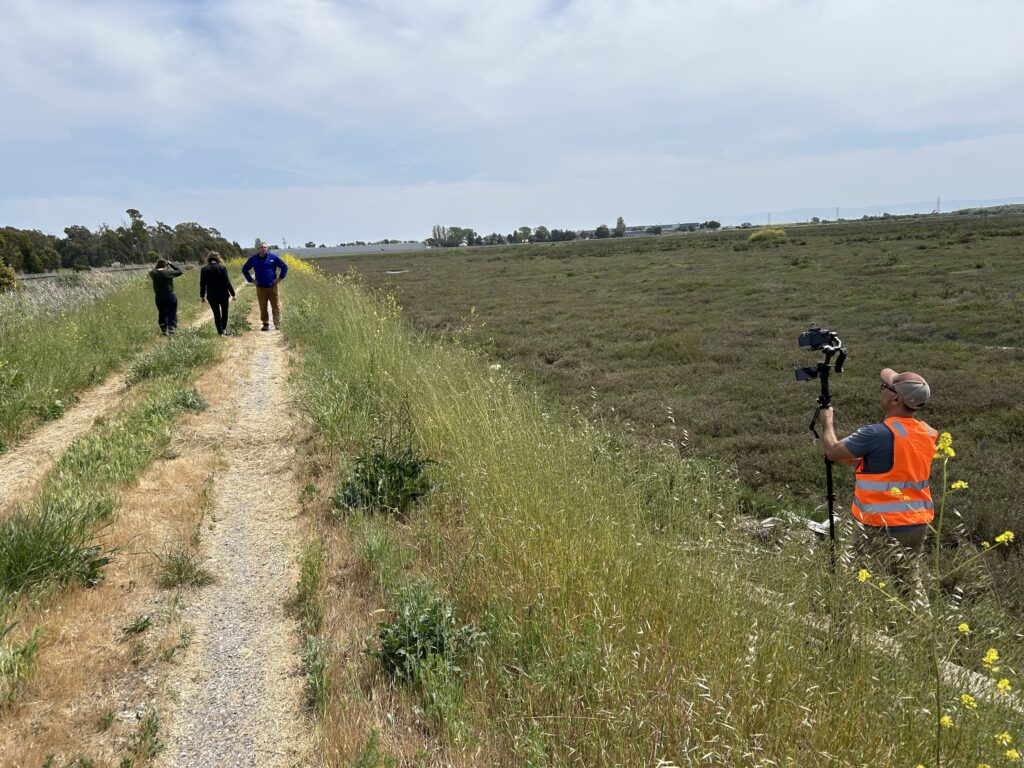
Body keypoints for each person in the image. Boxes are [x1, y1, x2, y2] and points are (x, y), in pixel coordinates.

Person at [817, 368, 938, 606]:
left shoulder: (876, 433)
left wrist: (827, 422)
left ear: (896, 399)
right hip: (916, 522)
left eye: (886, 387)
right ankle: (923, 633)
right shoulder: (928, 433)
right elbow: (895, 465)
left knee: (852, 580)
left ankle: (843, 630)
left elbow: (833, 451)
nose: (881, 389)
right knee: (909, 583)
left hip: (878, 524)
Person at [242, 242, 288, 331]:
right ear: (258, 249)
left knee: (276, 306)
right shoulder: (253, 259)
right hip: (260, 288)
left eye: (265, 247)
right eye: (262, 247)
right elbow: (244, 269)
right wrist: (251, 280)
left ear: (267, 248)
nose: (264, 249)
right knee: (263, 307)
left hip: (273, 287)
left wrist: (279, 278)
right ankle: (265, 324)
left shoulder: (273, 258)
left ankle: (277, 324)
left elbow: (284, 267)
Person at [200, 252, 236, 335]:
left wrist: (202, 296)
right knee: (224, 312)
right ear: (218, 258)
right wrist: (233, 294)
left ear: (208, 258)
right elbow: (227, 282)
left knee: (216, 313)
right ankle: (224, 330)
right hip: (223, 294)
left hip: (211, 295)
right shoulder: (222, 267)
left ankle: (220, 333)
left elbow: (202, 284)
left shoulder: (204, 269)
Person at [148, 258, 183, 335]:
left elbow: (153, 270)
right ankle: (172, 330)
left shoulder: (153, 273)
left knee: (162, 313)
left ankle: (164, 330)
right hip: (169, 295)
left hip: (159, 297)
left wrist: (157, 265)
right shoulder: (168, 272)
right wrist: (170, 264)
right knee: (172, 313)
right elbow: (180, 271)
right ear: (165, 265)